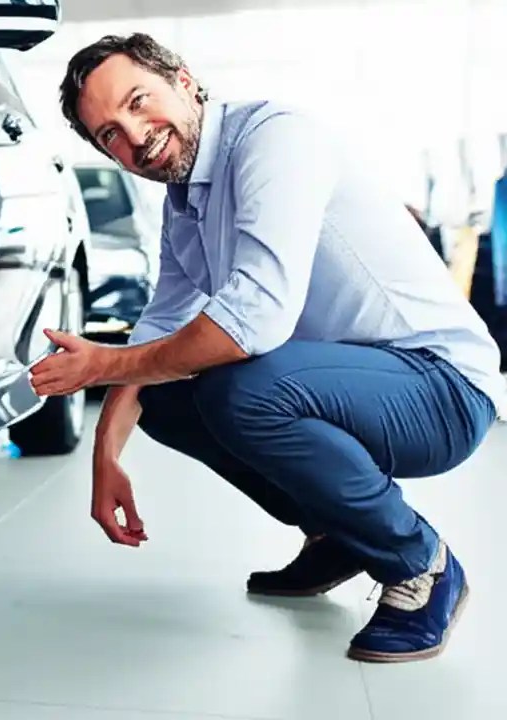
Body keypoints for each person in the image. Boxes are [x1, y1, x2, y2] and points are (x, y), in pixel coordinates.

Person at [32, 32, 506, 663]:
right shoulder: (184, 204)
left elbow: (252, 322)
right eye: (109, 134)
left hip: (442, 389)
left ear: (184, 80)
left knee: (239, 387)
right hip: (358, 387)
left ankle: (420, 563)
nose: (134, 134)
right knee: (172, 400)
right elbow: (159, 326)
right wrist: (105, 458)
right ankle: (339, 534)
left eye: (139, 101)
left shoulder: (274, 139)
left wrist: (101, 363)